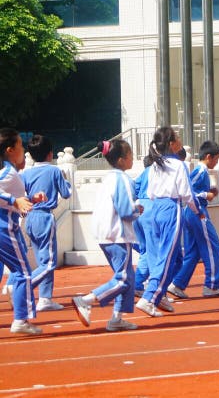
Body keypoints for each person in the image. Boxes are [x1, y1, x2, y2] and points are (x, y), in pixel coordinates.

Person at [71, 139, 141, 332]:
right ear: (121, 160)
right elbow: (126, 210)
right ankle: (86, 300)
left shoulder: (108, 178)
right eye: (130, 156)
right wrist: (138, 209)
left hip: (105, 234)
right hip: (117, 234)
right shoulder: (123, 179)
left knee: (128, 277)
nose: (132, 159)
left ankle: (117, 317)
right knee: (124, 279)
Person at [136, 127, 199, 317]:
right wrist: (198, 211)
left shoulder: (155, 165)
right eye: (177, 137)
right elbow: (187, 193)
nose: (180, 140)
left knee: (175, 258)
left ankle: (158, 293)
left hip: (155, 208)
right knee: (168, 256)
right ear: (172, 144)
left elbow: (151, 193)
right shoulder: (179, 165)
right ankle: (149, 297)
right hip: (171, 208)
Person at [17, 134, 72, 311]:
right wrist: (66, 181)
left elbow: (22, 195)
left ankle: (45, 298)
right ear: (50, 154)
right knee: (49, 263)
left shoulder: (26, 173)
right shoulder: (54, 171)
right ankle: (22, 288)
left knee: (43, 259)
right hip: (45, 217)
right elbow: (66, 193)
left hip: (30, 217)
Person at [0, 128, 46, 334]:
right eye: (20, 146)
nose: (23, 150)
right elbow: (9, 198)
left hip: (7, 225)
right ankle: (21, 320)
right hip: (5, 229)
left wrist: (30, 200)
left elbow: (17, 200)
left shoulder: (8, 171)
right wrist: (15, 200)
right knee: (23, 272)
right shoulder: (8, 173)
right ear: (10, 150)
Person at [169, 140, 219, 298]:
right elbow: (187, 190)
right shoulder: (200, 171)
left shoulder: (202, 172)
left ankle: (178, 283)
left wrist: (208, 192)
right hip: (197, 211)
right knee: (212, 247)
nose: (217, 162)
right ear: (209, 157)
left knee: (193, 251)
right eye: (216, 158)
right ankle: (213, 284)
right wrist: (205, 195)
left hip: (191, 212)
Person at [132, 159, 152, 296]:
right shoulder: (159, 170)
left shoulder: (144, 173)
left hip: (139, 207)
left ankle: (138, 283)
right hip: (151, 208)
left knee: (145, 250)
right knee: (152, 250)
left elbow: (134, 188)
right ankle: (137, 282)